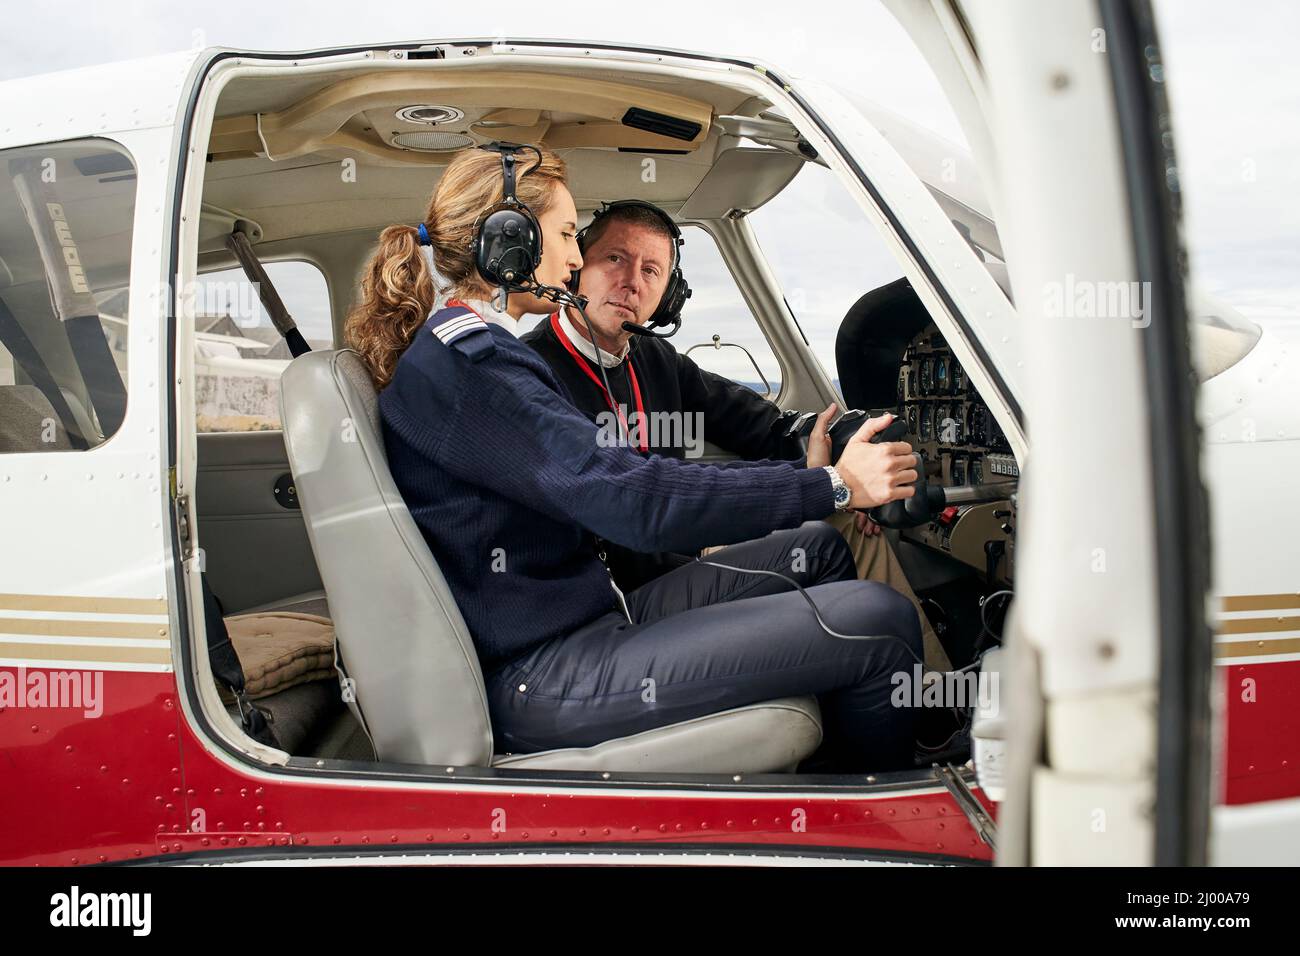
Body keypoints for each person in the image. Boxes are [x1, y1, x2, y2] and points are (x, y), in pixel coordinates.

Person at [345, 143, 924, 772]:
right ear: (507, 239)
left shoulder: (469, 350)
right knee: (879, 620)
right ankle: (872, 822)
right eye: (568, 235)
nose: (572, 258)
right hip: (543, 670)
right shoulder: (476, 364)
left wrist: (817, 474)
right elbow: (627, 497)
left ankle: (828, 754)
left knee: (821, 550)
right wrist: (834, 489)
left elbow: (634, 477)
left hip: (587, 615)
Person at [521, 199, 950, 671]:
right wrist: (831, 485)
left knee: (850, 524)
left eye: (651, 270)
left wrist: (839, 462)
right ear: (579, 266)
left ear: (667, 295)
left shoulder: (656, 360)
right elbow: (637, 502)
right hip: (622, 596)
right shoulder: (533, 370)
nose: (631, 282)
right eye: (615, 259)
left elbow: (761, 424)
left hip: (687, 556)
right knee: (828, 523)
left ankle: (931, 707)